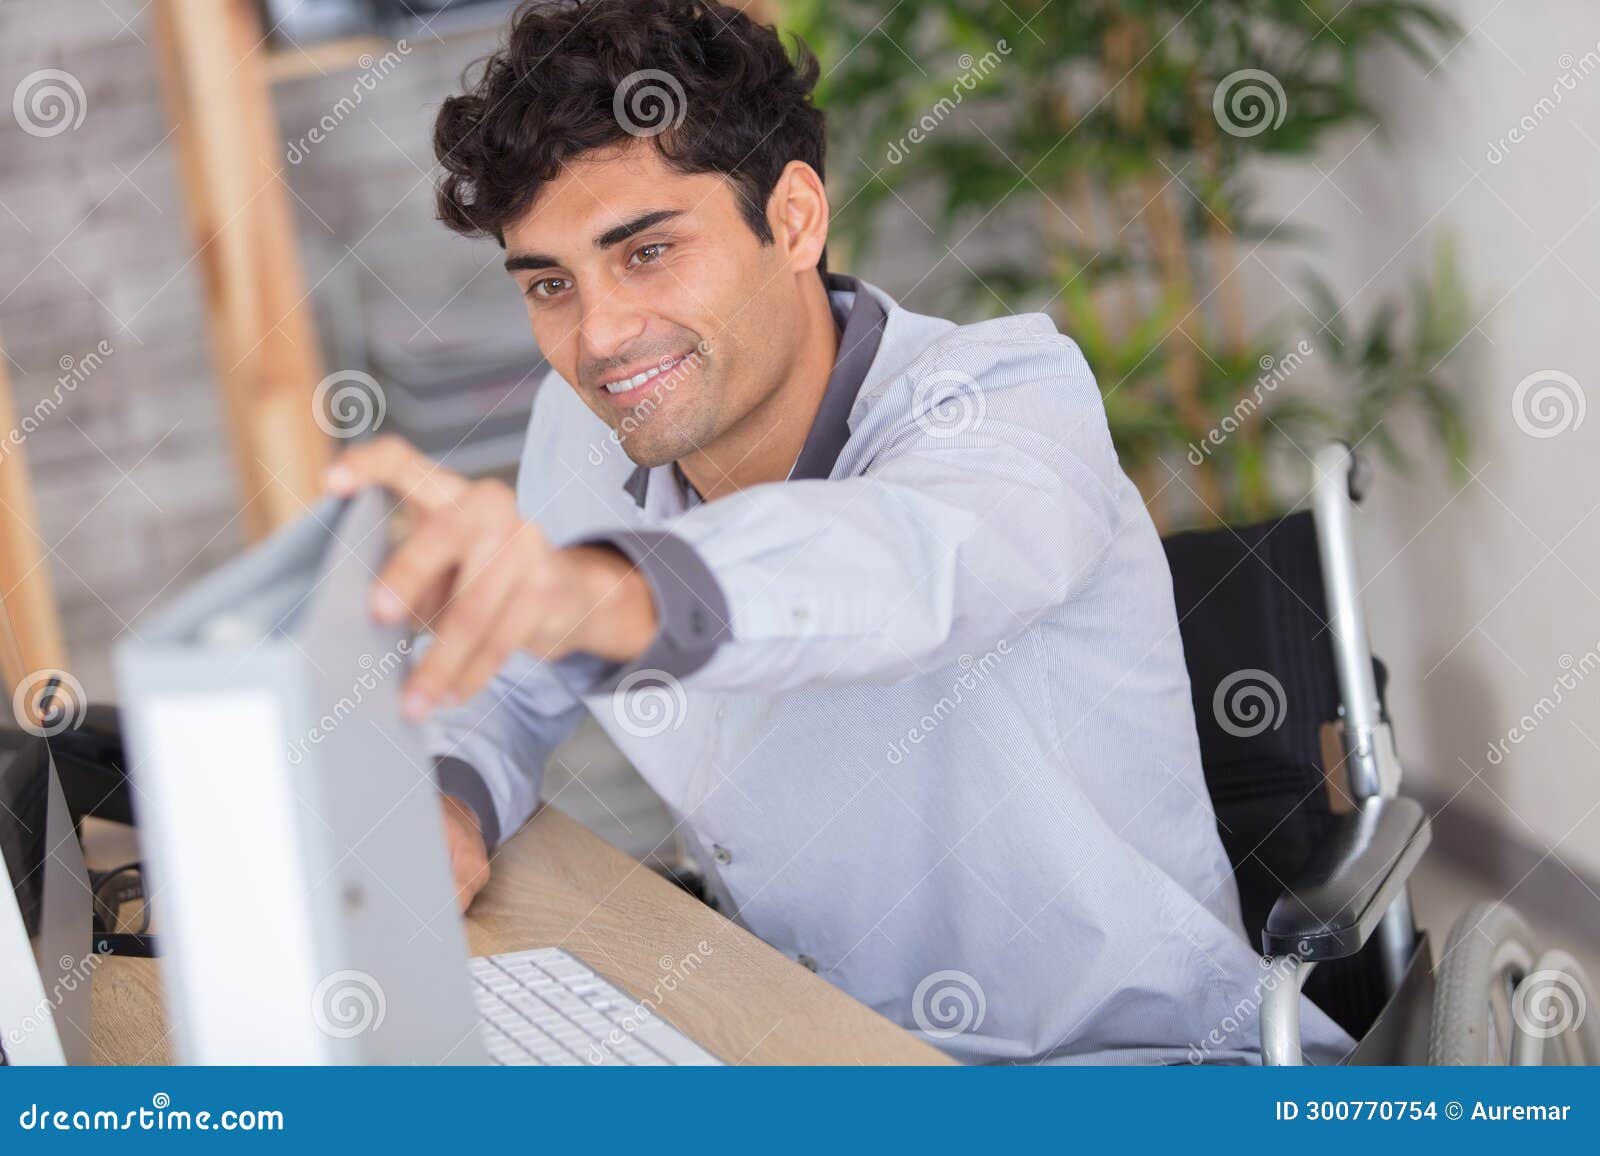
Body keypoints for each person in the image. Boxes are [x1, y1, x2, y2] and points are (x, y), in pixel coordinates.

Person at [325, 0, 1352, 1064]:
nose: (597, 337)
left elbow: (898, 565)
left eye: (647, 252)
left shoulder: (1008, 398)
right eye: (549, 282)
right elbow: (506, 676)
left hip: (1120, 1069)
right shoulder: (583, 432)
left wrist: (603, 593)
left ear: (796, 219)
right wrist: (450, 798)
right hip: (799, 1043)